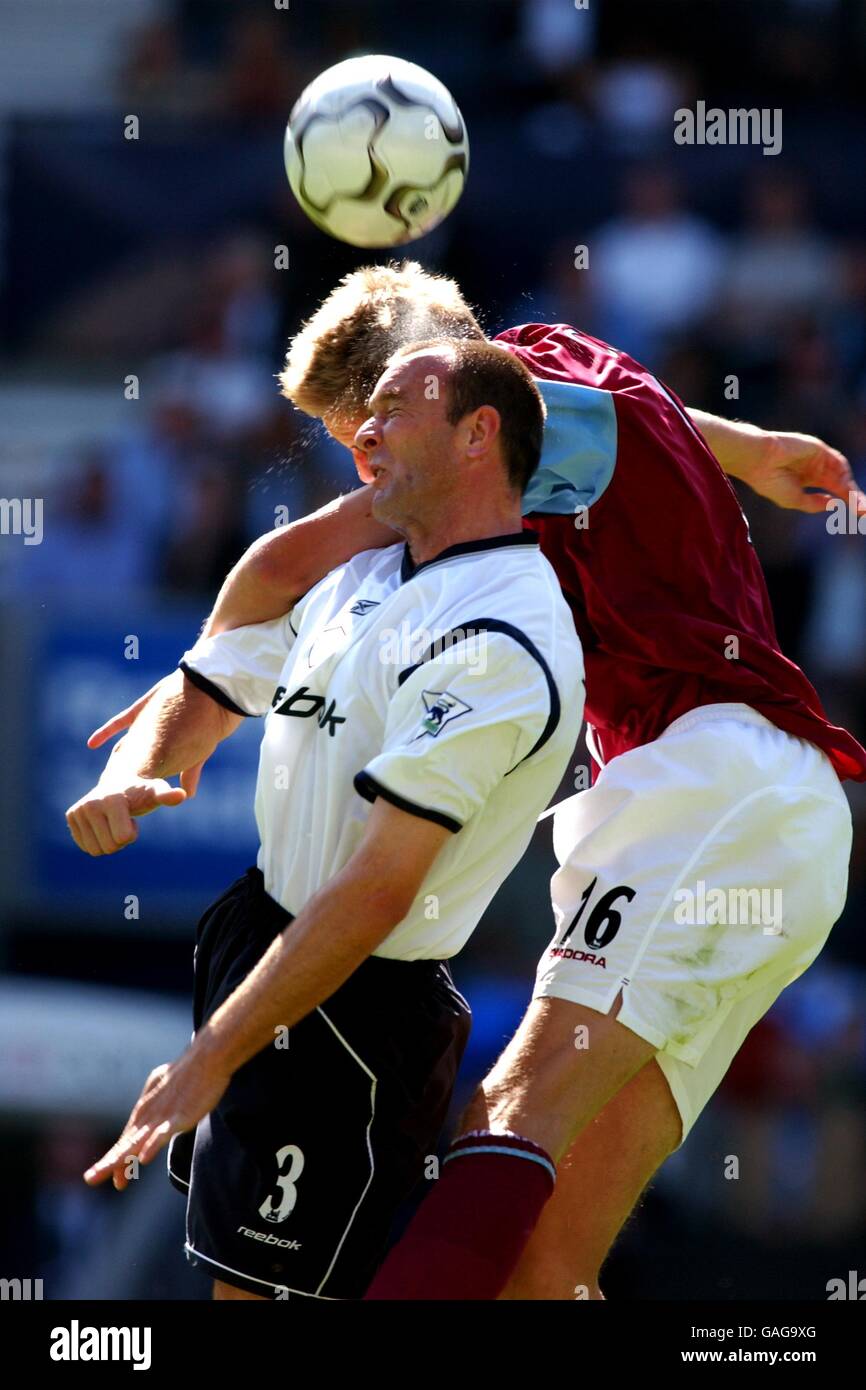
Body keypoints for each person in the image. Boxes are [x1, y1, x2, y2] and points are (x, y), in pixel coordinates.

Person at [91, 262, 866, 1301]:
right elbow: (631, 414)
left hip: (712, 782)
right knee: (542, 1264)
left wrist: (201, 662)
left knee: (506, 1115)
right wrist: (744, 447)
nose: (363, 457)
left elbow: (277, 565)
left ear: (456, 408)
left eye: (370, 423)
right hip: (766, 813)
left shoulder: (494, 456)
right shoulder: (560, 392)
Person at [66, 340, 585, 1301]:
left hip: (352, 995)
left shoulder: (502, 638)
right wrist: (136, 772)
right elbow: (219, 677)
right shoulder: (369, 571)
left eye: (391, 410)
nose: (364, 433)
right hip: (261, 938)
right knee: (238, 1285)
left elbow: (381, 888)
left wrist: (210, 1055)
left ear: (479, 435)